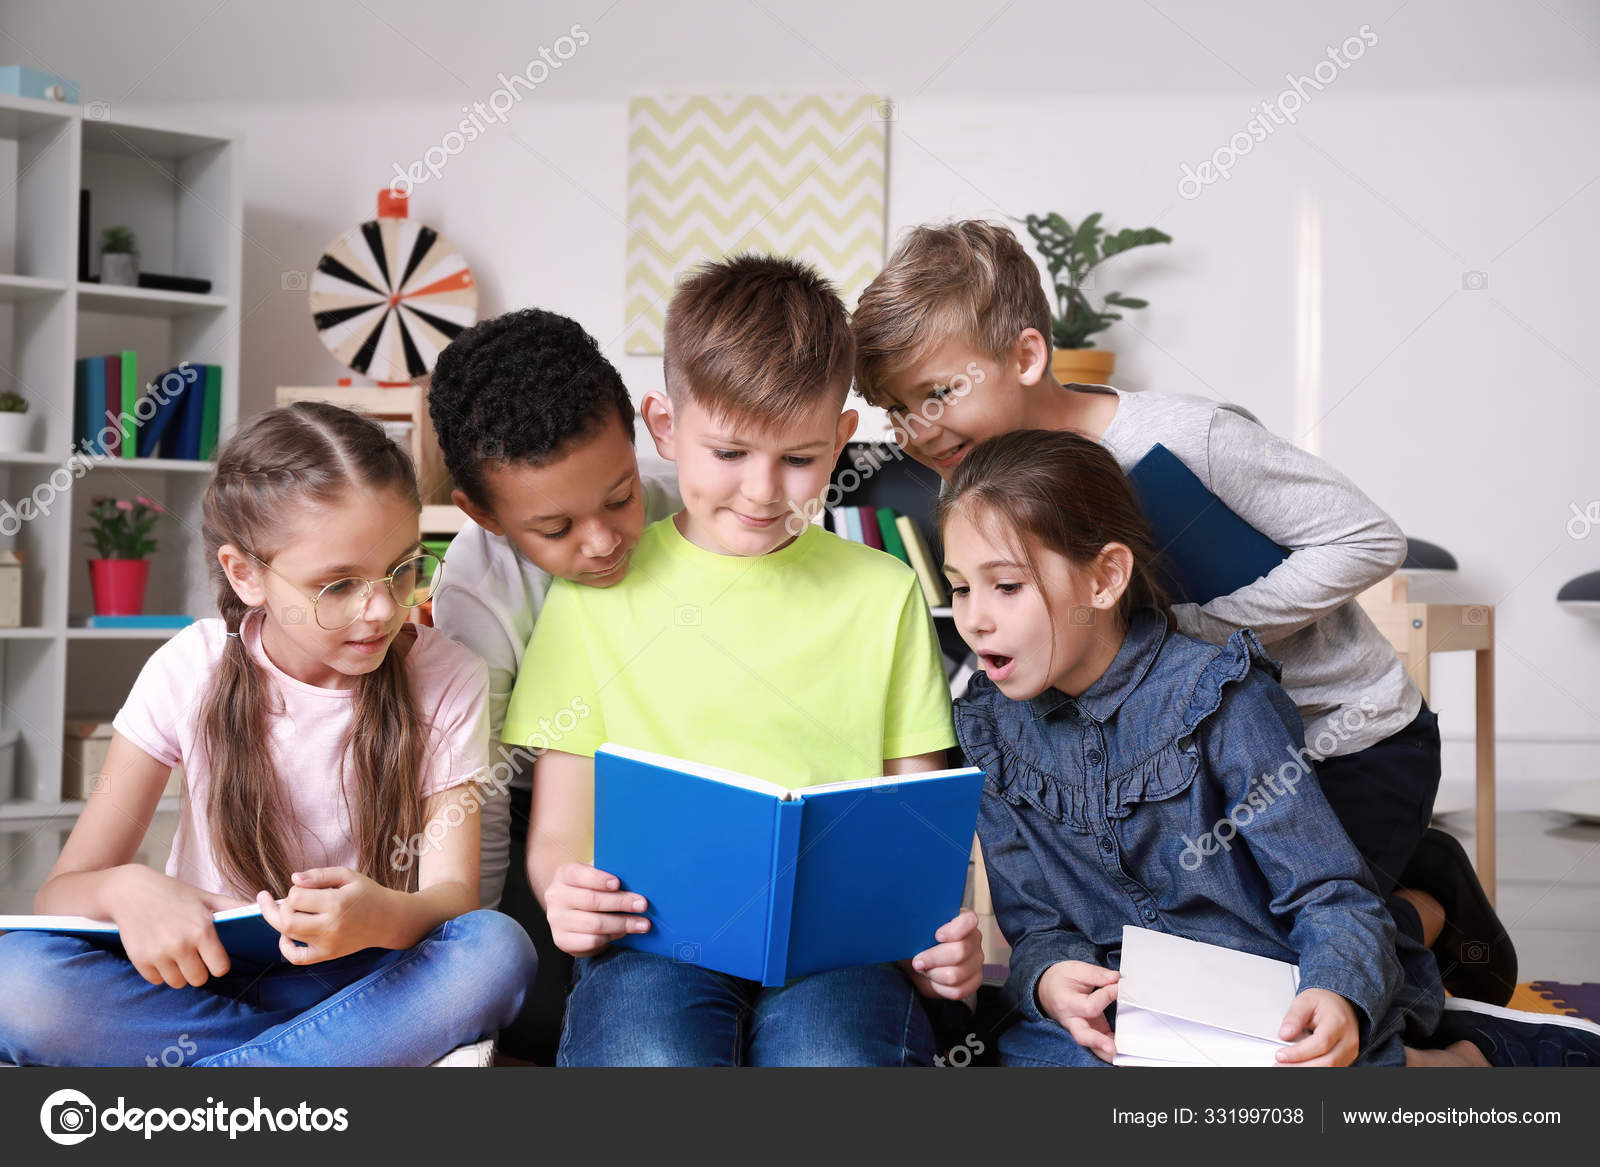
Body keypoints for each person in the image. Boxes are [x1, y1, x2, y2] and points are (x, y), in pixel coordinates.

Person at [0, 402, 534, 1066]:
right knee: (16, 975)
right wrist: (126, 889)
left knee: (496, 948)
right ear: (244, 573)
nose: (380, 608)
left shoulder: (448, 676)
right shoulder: (186, 668)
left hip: (361, 985)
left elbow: (453, 898)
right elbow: (62, 889)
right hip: (201, 985)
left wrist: (378, 916)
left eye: (401, 569)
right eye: (336, 584)